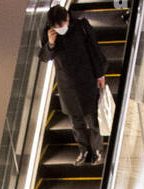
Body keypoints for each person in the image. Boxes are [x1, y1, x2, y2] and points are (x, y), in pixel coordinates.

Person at [39, 5, 108, 167]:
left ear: (68, 19)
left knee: (93, 118)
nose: (61, 28)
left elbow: (94, 50)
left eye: (63, 24)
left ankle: (98, 150)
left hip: (87, 79)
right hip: (66, 84)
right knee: (76, 121)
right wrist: (50, 43)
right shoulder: (49, 33)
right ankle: (83, 151)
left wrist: (100, 74)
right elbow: (43, 57)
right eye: (57, 26)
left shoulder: (81, 26)